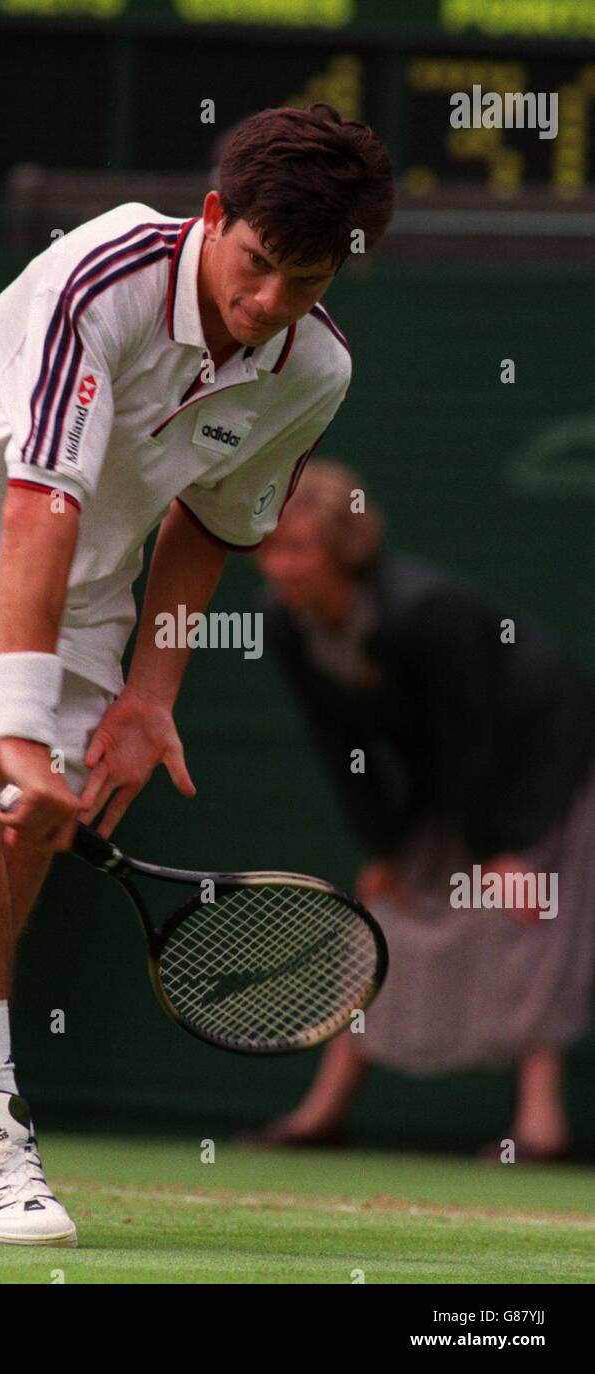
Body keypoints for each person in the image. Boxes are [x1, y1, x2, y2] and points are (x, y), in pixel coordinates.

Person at [0, 105, 395, 1245]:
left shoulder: (313, 368)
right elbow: (44, 502)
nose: (269, 304)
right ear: (214, 217)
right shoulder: (105, 272)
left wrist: (148, 695)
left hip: (85, 615)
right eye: (257, 267)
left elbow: (208, 522)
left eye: (308, 279)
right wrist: (26, 732)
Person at [248, 460, 595, 1160]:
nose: (276, 567)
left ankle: (540, 1126)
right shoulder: (285, 624)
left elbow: (471, 735)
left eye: (296, 549)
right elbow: (339, 745)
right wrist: (382, 849)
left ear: (342, 549)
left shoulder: (423, 612)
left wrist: (508, 851)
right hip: (456, 776)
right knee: (385, 919)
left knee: (531, 924)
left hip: (545, 762)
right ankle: (324, 1114)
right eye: (268, 547)